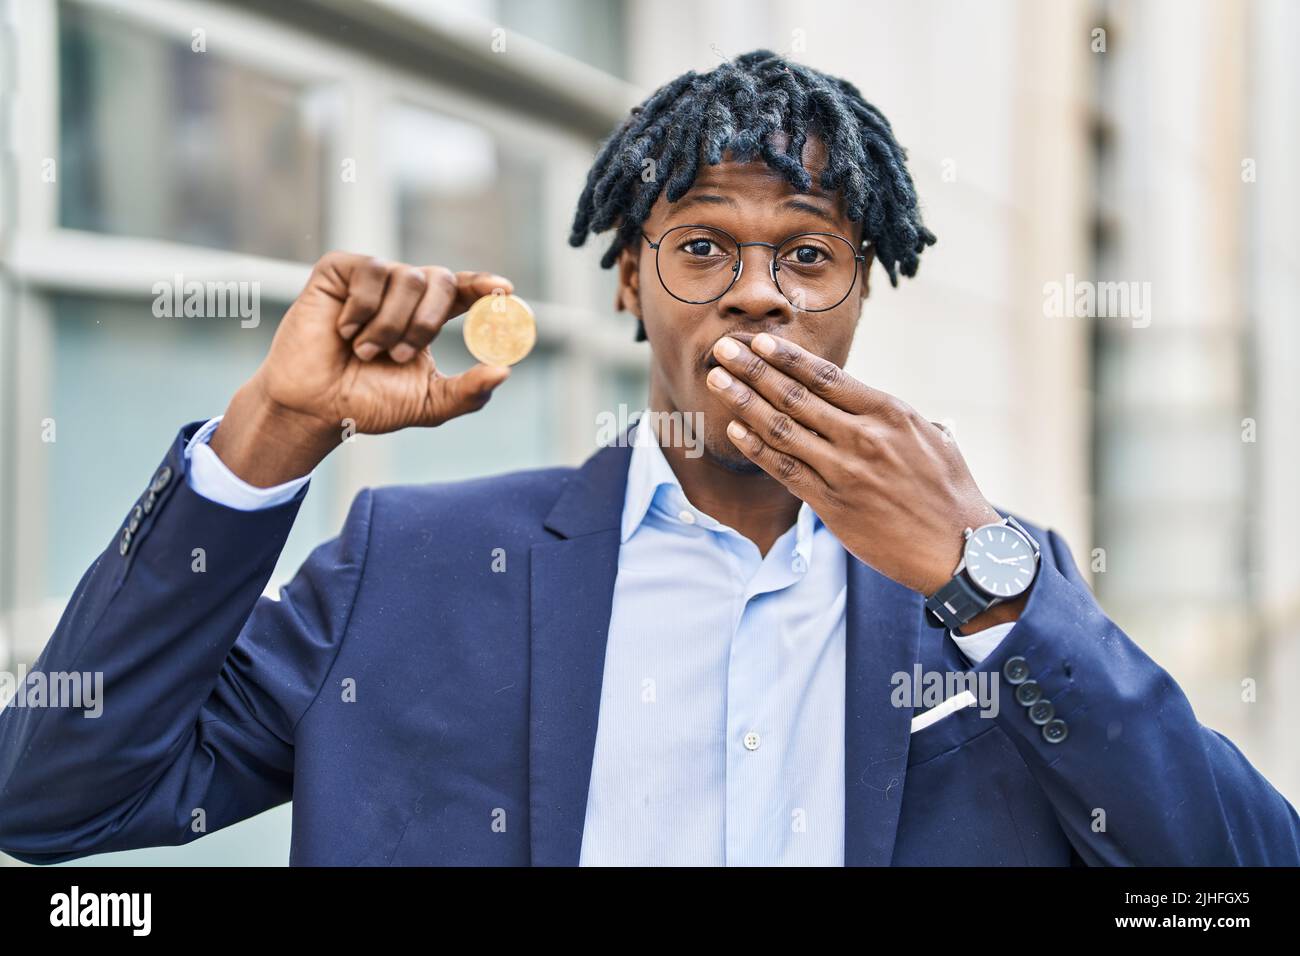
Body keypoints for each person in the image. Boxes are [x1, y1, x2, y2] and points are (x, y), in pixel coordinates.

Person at [1, 50, 1296, 866]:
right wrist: (271, 434)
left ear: (859, 292)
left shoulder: (988, 588)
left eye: (807, 254)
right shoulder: (415, 567)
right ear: (632, 277)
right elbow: (51, 806)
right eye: (702, 248)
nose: (758, 295)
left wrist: (993, 591)